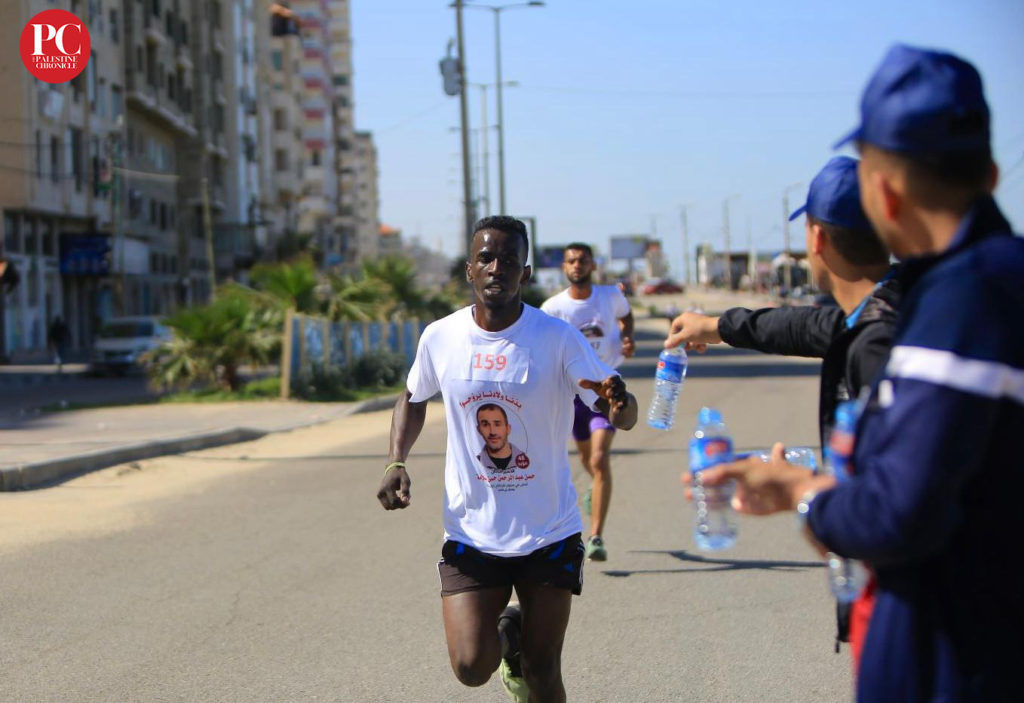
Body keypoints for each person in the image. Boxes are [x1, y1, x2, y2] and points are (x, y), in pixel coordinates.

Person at [695, 45, 1024, 702]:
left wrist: (802, 492)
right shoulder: (964, 286)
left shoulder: (963, 301)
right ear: (990, 173)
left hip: (958, 663)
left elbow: (901, 512)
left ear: (884, 191)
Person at [378, 216, 638, 703]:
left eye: (510, 259)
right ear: (469, 271)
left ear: (526, 271)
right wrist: (396, 461)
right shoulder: (441, 336)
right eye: (486, 258)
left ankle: (524, 646)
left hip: (548, 531)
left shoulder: (556, 337)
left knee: (543, 673)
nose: (497, 267)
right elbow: (413, 398)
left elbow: (612, 405)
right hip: (471, 533)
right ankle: (508, 634)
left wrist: (620, 406)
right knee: (470, 666)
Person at [668, 156, 898, 658]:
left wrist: (799, 488)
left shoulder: (877, 344)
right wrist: (716, 326)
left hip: (909, 612)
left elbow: (905, 493)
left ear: (816, 239)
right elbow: (797, 326)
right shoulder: (883, 310)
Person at [540, 243, 635, 561]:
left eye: (582, 260)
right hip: (574, 396)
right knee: (586, 460)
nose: (577, 265)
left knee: (598, 460)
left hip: (607, 390)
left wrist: (627, 338)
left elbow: (626, 316)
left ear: (592, 264)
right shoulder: (552, 308)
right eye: (571, 261)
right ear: (564, 267)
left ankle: (595, 536)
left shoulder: (610, 296)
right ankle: (594, 492)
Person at [476, 403, 530, 473]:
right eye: (485, 425)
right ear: (479, 430)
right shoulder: (474, 463)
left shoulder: (528, 460)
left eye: (497, 424)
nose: (492, 432)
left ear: (508, 428)